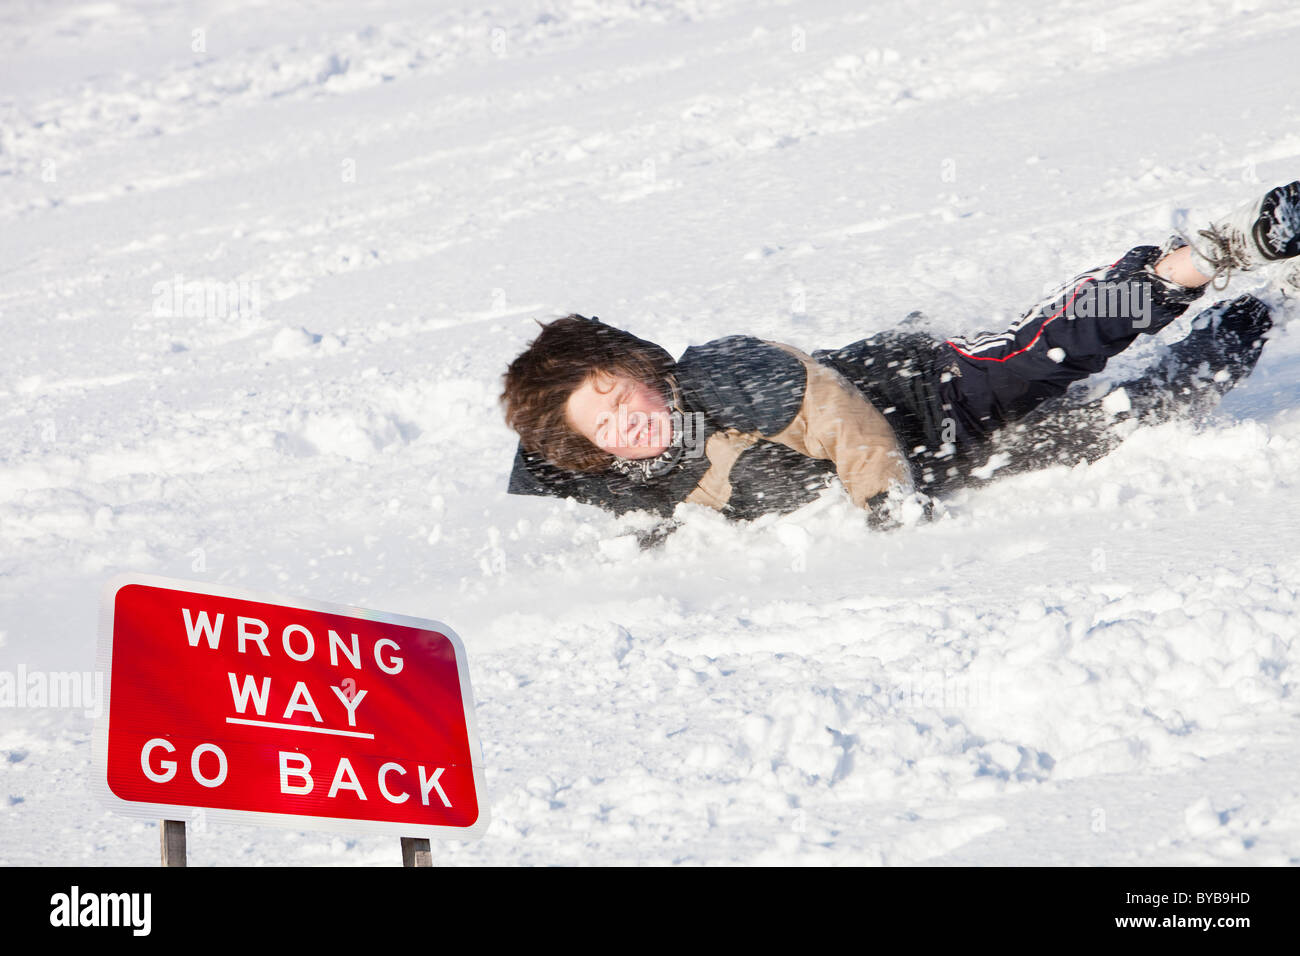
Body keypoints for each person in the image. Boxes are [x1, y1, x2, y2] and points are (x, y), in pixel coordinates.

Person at [501, 181, 1300, 542]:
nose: (629, 422)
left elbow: (838, 415)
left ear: (641, 370)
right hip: (968, 461)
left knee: (1045, 352)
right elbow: (589, 488)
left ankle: (1212, 254)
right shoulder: (633, 479)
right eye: (605, 426)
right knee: (1150, 408)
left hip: (940, 387)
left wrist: (884, 502)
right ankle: (1273, 303)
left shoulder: (718, 374)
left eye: (621, 397)